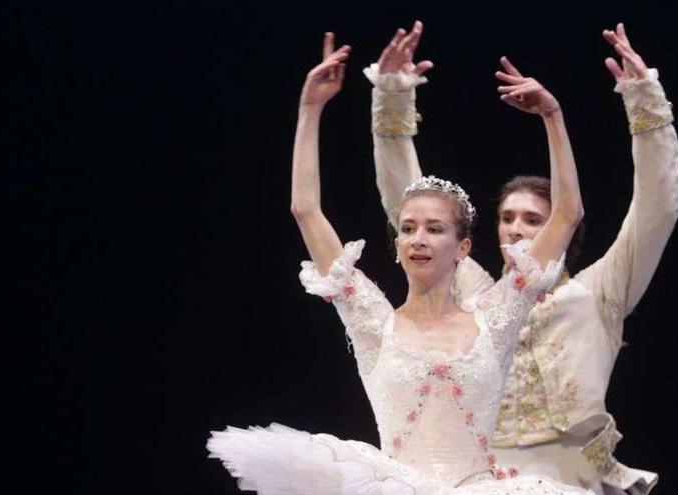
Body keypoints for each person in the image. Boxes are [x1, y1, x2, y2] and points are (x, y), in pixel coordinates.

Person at [208, 29, 589, 494]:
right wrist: (311, 108)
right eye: (407, 228)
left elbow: (568, 214)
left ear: (463, 247)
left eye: (434, 229)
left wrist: (553, 115)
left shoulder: (496, 318)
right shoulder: (372, 320)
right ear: (396, 245)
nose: (417, 239)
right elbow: (305, 209)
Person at [367, 21, 678, 494]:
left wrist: (645, 100)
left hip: (571, 479)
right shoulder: (474, 294)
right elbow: (410, 208)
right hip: (481, 481)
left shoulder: (600, 290)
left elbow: (657, 208)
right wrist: (391, 98)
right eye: (507, 217)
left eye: (534, 219)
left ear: (559, 227)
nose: (517, 227)